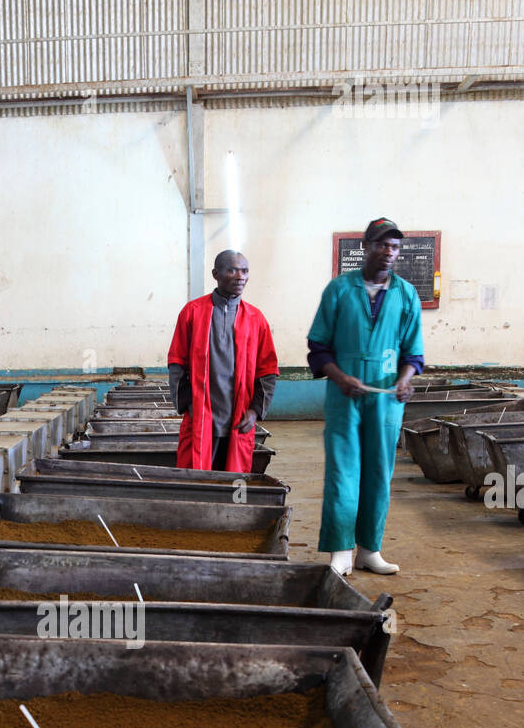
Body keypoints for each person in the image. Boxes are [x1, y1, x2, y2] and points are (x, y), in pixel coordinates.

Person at [307, 218, 424, 575]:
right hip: (345, 398)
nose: (389, 252)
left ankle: (370, 550)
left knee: (379, 471)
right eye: (382, 245)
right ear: (366, 247)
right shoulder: (339, 290)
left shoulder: (406, 294)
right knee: (343, 470)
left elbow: (413, 354)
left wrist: (405, 381)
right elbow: (318, 348)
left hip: (387, 400)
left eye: (395, 247)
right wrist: (340, 378)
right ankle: (340, 549)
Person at [167, 250, 279, 473]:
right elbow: (177, 362)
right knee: (195, 482)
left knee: (234, 484)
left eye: (245, 271)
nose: (240, 277)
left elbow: (267, 370)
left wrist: (255, 411)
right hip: (201, 419)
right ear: (215, 274)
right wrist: (190, 405)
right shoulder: (193, 313)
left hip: (238, 419)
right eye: (232, 270)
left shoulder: (256, 319)